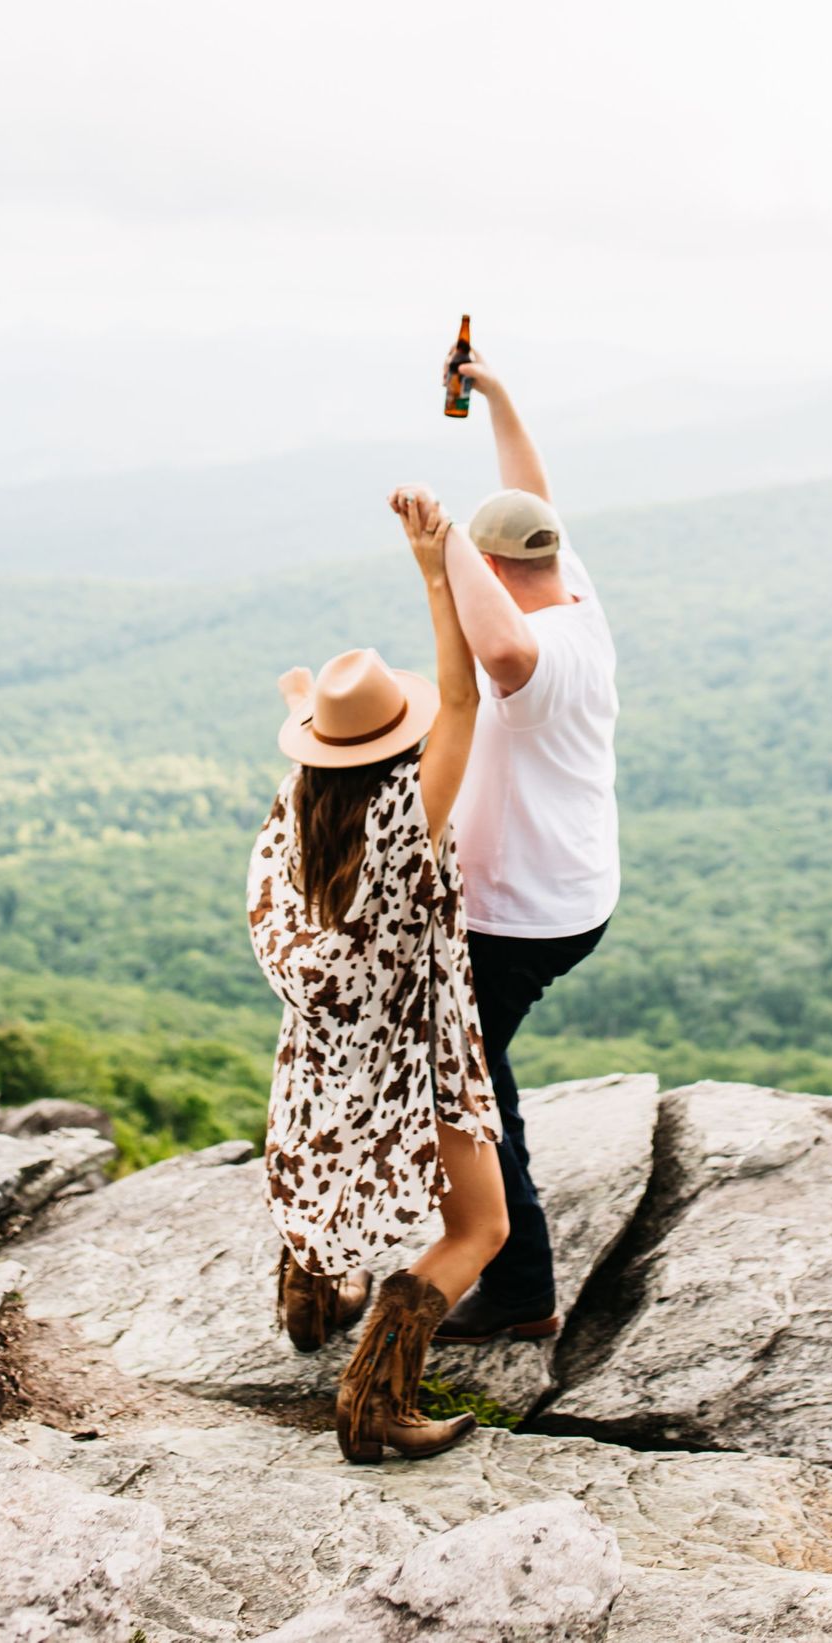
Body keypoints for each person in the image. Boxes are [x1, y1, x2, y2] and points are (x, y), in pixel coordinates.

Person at [246, 491, 507, 1464]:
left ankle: (313, 1292)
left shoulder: (297, 819)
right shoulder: (405, 821)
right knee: (478, 1227)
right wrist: (435, 567)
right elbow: (467, 693)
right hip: (412, 1058)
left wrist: (304, 703)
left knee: (334, 1171)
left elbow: (322, 751)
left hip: (320, 1065)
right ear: (395, 748)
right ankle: (376, 1395)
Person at [394, 343, 620, 1345]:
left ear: (492, 570)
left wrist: (443, 549)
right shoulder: (572, 587)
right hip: (570, 882)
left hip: (525, 909)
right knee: (476, 1063)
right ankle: (508, 1257)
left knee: (469, 1075)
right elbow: (532, 494)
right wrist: (496, 392)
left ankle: (519, 1279)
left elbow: (499, 650)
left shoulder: (541, 662)